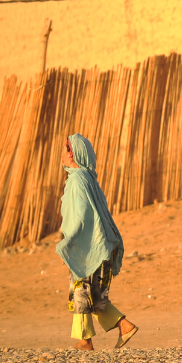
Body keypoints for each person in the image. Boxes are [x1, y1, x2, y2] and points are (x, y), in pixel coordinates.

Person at [56, 134, 137, 351]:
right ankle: (124, 326)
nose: (61, 154)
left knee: (81, 291)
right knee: (97, 297)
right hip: (104, 247)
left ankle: (85, 341)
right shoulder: (89, 179)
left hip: (89, 248)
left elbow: (80, 217)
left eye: (64, 149)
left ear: (72, 154)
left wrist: (69, 245)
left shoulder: (77, 180)